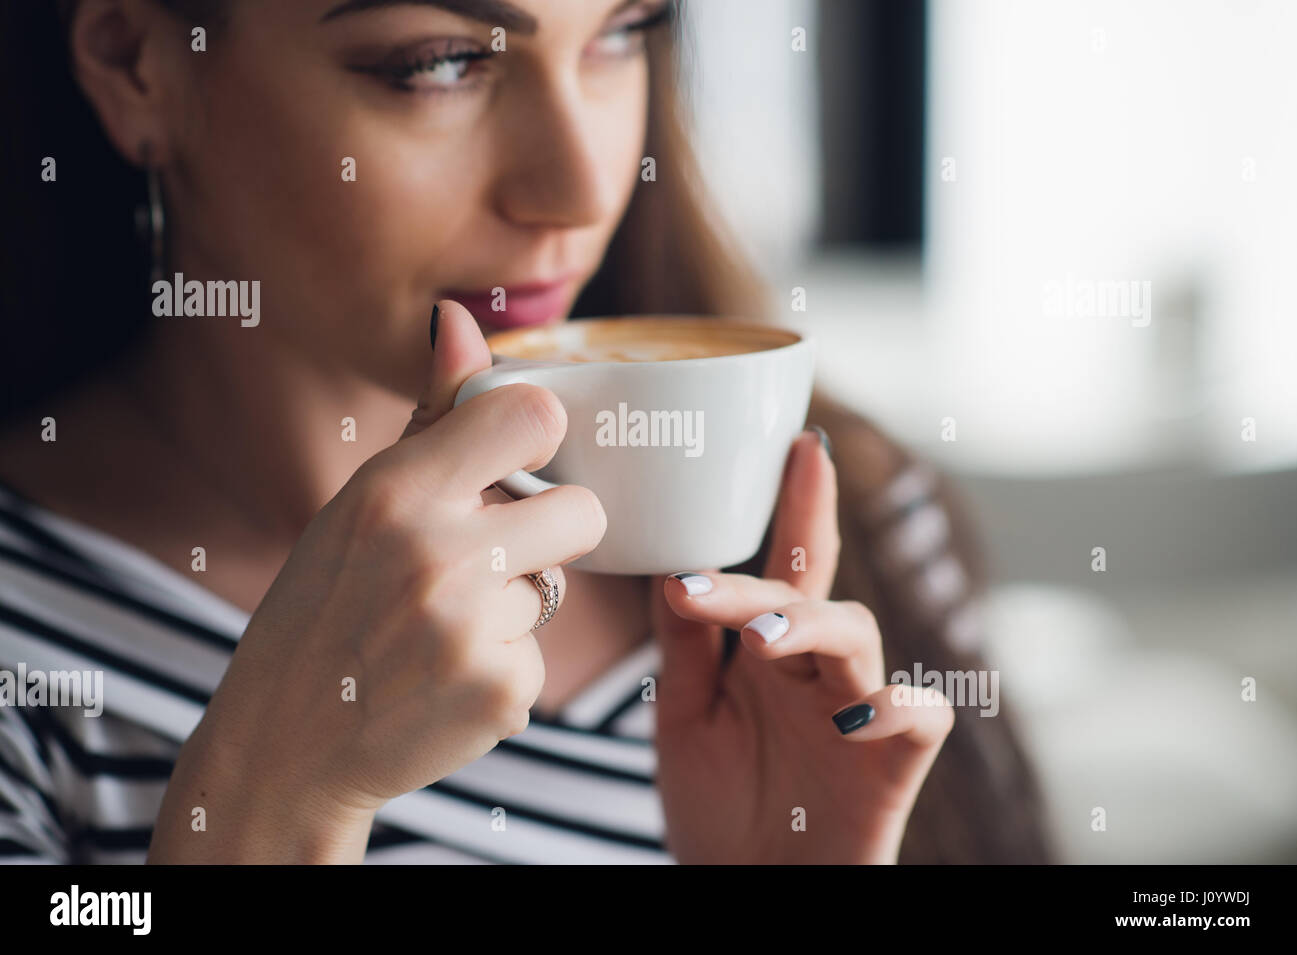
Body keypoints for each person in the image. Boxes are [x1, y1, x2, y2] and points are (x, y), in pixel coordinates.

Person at [0, 0, 1054, 863]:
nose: (581, 186)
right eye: (441, 63)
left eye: (620, 32)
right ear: (135, 60)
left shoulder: (858, 515)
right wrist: (270, 803)